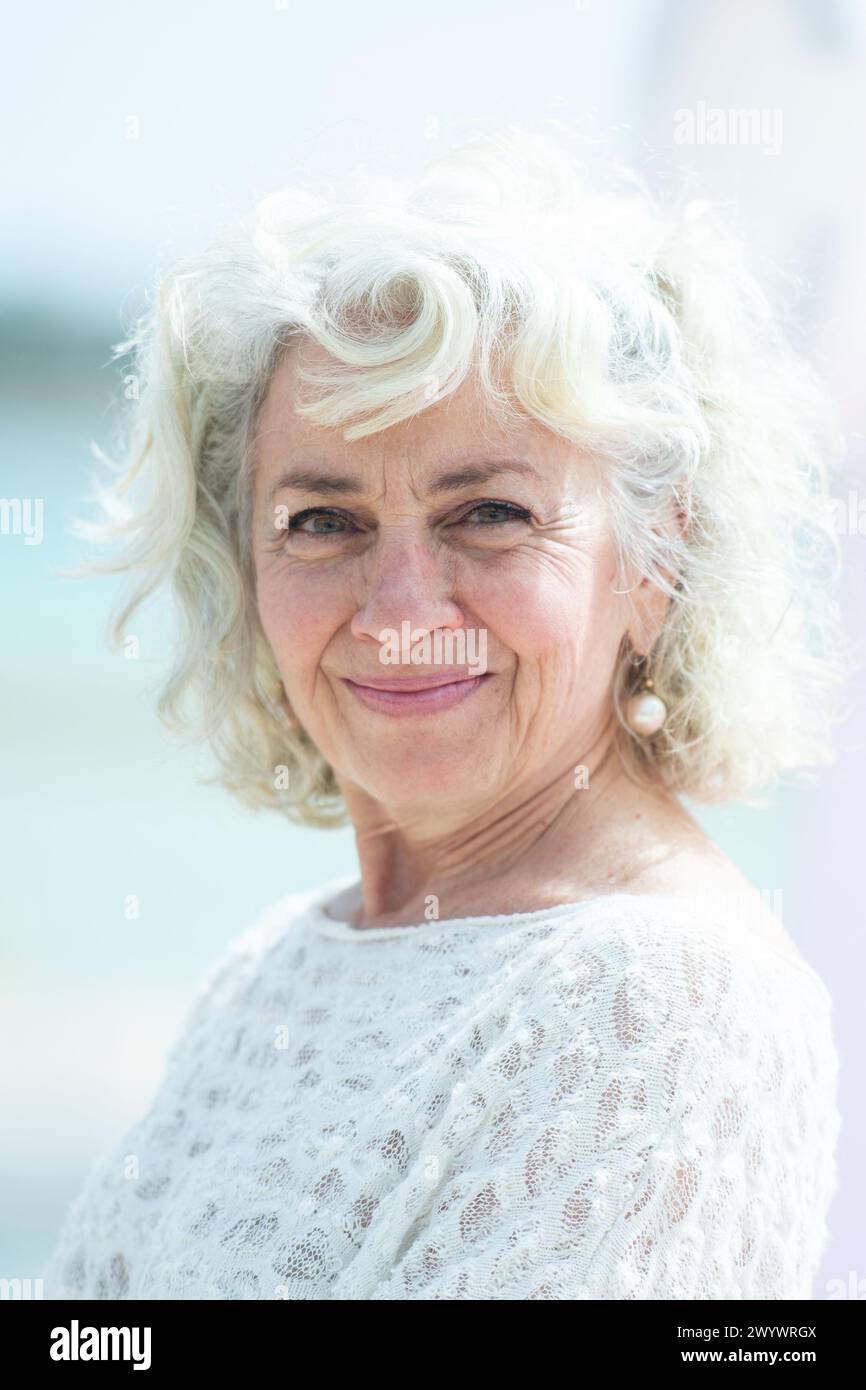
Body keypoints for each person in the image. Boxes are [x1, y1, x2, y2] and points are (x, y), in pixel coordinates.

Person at [44, 128, 845, 1300]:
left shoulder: (655, 995)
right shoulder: (277, 966)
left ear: (653, 554)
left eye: (489, 513)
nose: (400, 609)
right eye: (323, 520)